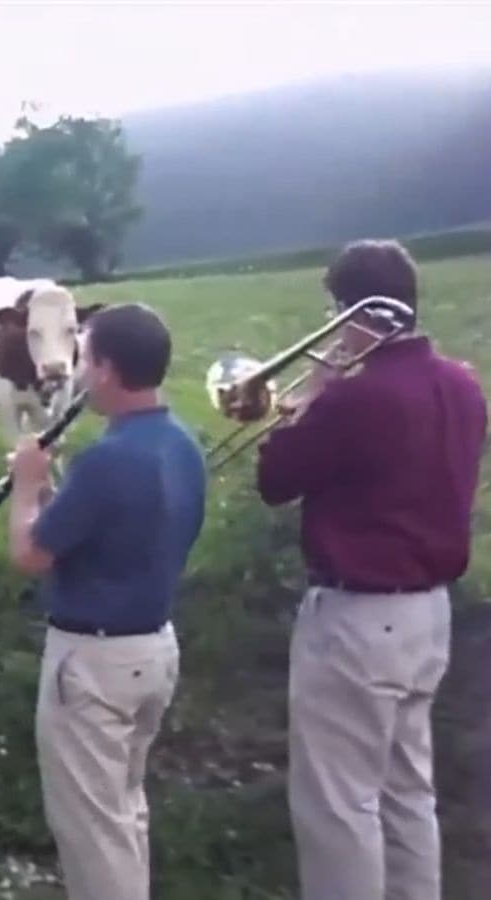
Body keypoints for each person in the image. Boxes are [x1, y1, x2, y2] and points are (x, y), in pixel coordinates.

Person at [255, 239, 486, 900]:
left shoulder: (355, 399)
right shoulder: (463, 384)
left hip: (358, 620)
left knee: (338, 807)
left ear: (352, 314)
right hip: (428, 614)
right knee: (408, 794)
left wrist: (319, 386)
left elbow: (276, 478)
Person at [5, 302, 207, 900]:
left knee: (91, 833)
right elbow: (119, 527)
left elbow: (32, 554)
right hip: (154, 647)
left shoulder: (107, 458)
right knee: (124, 812)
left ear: (108, 370)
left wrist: (24, 490)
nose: (81, 372)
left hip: (93, 663)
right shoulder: (181, 443)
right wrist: (54, 491)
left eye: (87, 357)